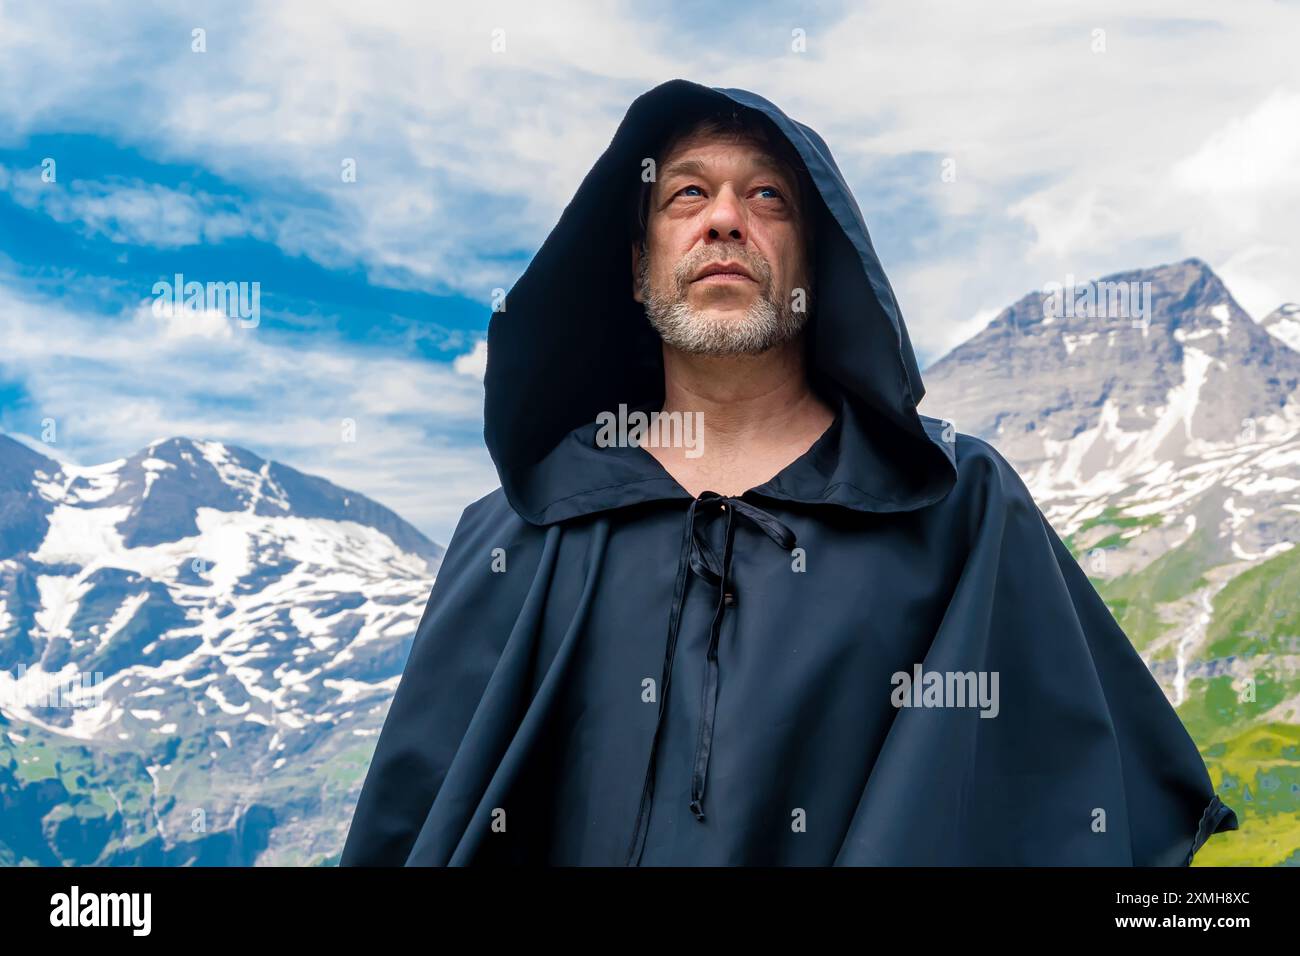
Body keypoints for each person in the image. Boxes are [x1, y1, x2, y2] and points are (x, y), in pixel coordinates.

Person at [339, 79, 1238, 866]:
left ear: (817, 259)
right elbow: (419, 823)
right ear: (638, 262)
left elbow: (1059, 806)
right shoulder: (519, 532)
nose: (723, 218)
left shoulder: (955, 506)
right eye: (685, 193)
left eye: (767, 196)